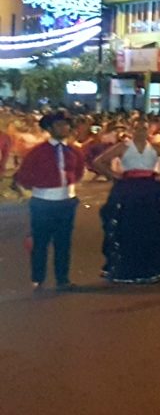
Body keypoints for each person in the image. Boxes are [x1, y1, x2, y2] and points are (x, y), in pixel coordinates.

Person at [91, 116, 160, 285]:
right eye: (138, 129)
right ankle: (130, 265)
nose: (141, 132)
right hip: (129, 189)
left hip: (150, 188)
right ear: (132, 130)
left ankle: (156, 266)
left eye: (144, 129)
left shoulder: (155, 147)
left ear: (149, 130)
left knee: (154, 225)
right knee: (128, 225)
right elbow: (99, 162)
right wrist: (115, 175)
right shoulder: (123, 147)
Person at [17, 113, 86, 291]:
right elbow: (24, 175)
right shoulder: (38, 151)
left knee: (64, 243)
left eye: (65, 125)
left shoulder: (74, 150)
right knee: (40, 242)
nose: (63, 128)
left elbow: (78, 172)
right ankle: (38, 278)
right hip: (43, 202)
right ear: (49, 129)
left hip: (67, 201)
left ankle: (62, 278)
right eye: (59, 125)